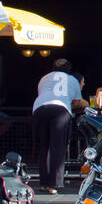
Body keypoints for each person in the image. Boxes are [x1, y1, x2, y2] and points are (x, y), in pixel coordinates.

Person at [32, 58, 87, 194]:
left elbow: (44, 94)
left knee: (43, 146)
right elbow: (77, 101)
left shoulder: (44, 78)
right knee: (58, 147)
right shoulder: (72, 80)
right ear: (69, 69)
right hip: (61, 110)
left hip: (40, 108)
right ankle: (54, 184)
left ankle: (44, 183)